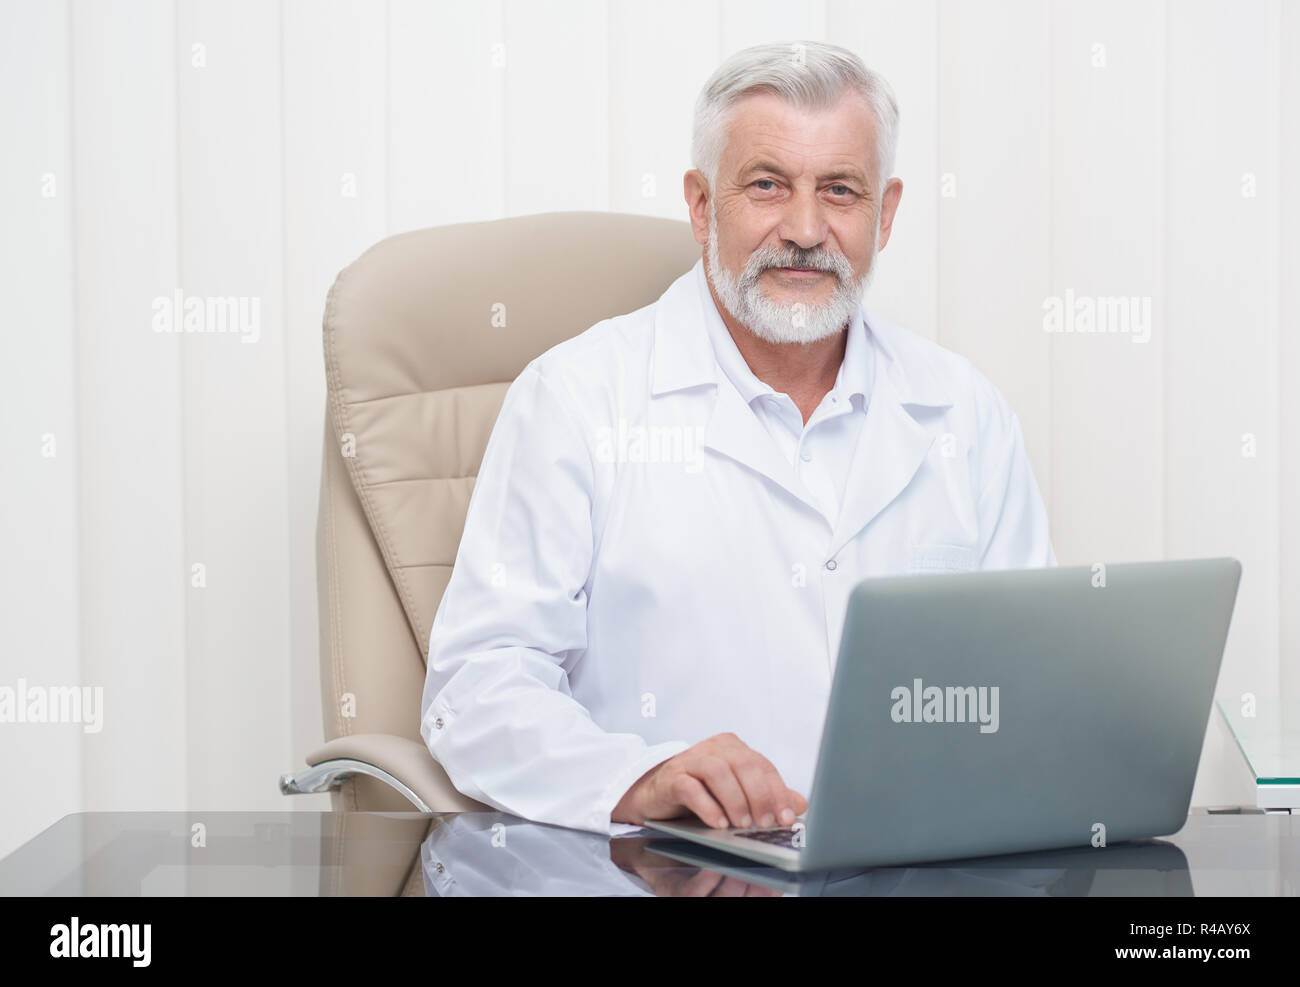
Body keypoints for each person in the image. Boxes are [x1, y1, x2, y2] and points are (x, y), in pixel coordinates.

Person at [421, 40, 1055, 837]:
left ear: (885, 215)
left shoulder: (966, 413)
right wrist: (640, 775)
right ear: (700, 205)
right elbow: (475, 691)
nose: (804, 227)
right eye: (766, 185)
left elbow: (1033, 682)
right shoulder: (576, 401)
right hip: (668, 873)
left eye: (840, 190)